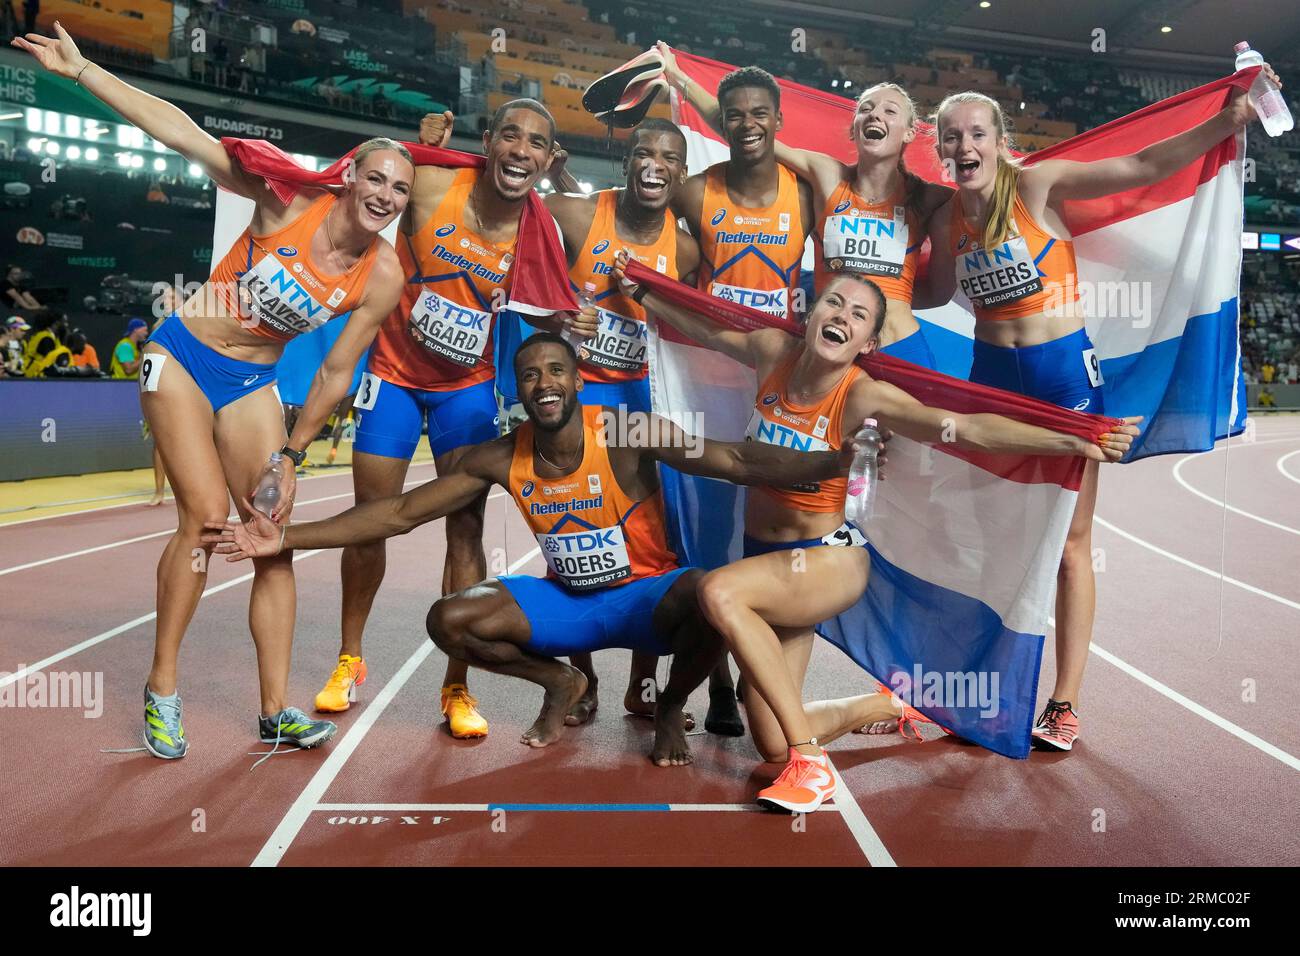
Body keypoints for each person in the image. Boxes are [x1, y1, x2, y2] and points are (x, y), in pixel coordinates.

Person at [13, 21, 413, 760]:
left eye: (400, 188)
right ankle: (162, 686)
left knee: (271, 541)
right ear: (351, 176)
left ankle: (275, 711)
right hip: (183, 358)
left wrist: (291, 455)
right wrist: (82, 73)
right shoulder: (287, 205)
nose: (386, 195)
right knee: (201, 521)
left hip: (252, 381)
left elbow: (333, 374)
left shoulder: (383, 275)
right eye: (377, 178)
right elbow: (184, 133)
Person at [620, 257, 1139, 810]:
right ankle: (890, 707)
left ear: (867, 343)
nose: (843, 314)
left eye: (860, 314)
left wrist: (1074, 441)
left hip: (825, 560)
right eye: (834, 302)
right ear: (812, 312)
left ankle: (811, 765)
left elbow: (965, 428)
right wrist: (644, 296)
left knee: (718, 591)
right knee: (767, 737)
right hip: (768, 562)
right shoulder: (773, 351)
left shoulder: (864, 395)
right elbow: (710, 330)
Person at [207, 332, 858, 766]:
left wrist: (834, 461)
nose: (543, 383)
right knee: (450, 618)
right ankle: (561, 680)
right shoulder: (499, 455)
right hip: (568, 608)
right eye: (529, 375)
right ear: (518, 390)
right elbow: (401, 512)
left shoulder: (629, 430)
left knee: (712, 595)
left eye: (555, 372)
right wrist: (284, 537)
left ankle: (667, 707)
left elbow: (737, 460)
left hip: (646, 601)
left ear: (576, 381)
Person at [922, 71, 1278, 751]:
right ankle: (984, 686)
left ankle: (1063, 702)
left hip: (1065, 386)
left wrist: (1225, 123)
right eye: (951, 137)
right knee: (995, 538)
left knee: (1071, 545)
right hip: (991, 382)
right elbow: (929, 291)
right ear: (941, 149)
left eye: (976, 132)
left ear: (1000, 141)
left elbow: (1143, 166)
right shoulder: (945, 219)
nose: (964, 144)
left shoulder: (1036, 185)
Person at [322, 99, 577, 738]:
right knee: (366, 526)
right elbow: (380, 189)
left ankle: (456, 685)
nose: (522, 150)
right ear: (487, 142)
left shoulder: (539, 231)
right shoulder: (435, 184)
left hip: (465, 390)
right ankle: (349, 660)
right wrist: (418, 145)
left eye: (537, 142)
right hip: (393, 379)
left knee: (465, 533)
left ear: (548, 160)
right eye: (510, 135)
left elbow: (546, 305)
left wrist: (569, 321)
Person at [543, 115, 704, 727]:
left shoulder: (685, 251)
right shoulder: (580, 217)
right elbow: (531, 295)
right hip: (579, 410)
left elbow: (696, 331)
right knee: (577, 542)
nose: (654, 164)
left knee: (649, 550)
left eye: (668, 156)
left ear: (680, 173)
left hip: (642, 412)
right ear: (628, 162)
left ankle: (643, 684)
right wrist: (558, 322)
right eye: (643, 153)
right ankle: (582, 682)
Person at [660, 43, 951, 367]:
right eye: (866, 108)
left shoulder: (928, 197)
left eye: (889, 111)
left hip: (901, 349)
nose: (875, 115)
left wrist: (897, 298)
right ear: (854, 129)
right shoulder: (827, 176)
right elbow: (745, 133)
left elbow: (985, 200)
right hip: (833, 348)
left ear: (910, 131)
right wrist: (679, 78)